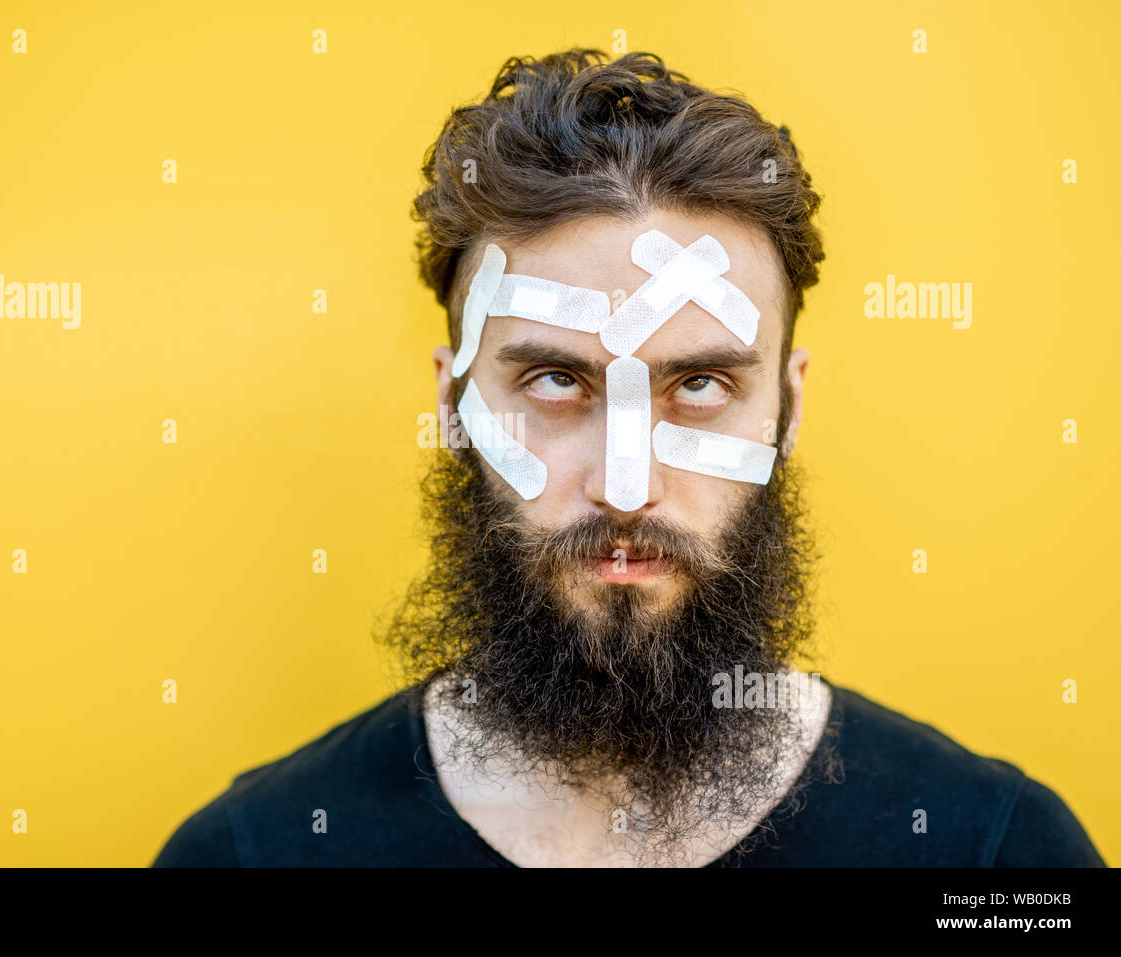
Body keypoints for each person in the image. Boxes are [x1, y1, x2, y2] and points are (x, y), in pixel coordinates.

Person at [153, 48, 1104, 867]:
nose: (624, 485)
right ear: (451, 405)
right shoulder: (253, 853)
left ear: (790, 408)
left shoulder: (996, 854)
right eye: (556, 382)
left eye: (699, 384)